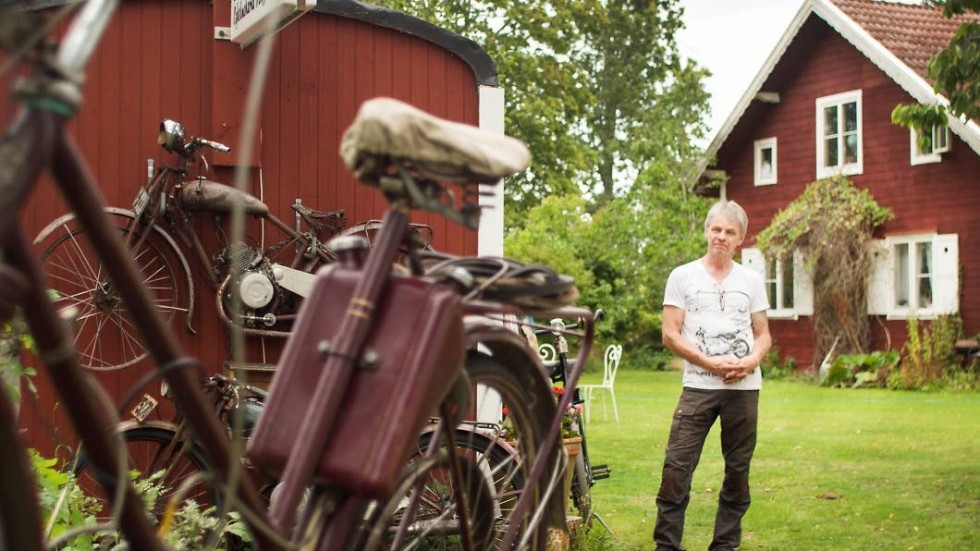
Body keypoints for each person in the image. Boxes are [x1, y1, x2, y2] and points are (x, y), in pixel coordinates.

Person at [654, 199, 772, 551]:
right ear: (707, 231)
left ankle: (725, 545)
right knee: (676, 468)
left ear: (740, 239)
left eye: (729, 232)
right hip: (698, 387)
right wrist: (710, 363)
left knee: (738, 470)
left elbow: (763, 335)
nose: (721, 236)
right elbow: (670, 333)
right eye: (716, 229)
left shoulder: (751, 280)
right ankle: (666, 546)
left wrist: (751, 361)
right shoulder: (682, 276)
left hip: (744, 389)